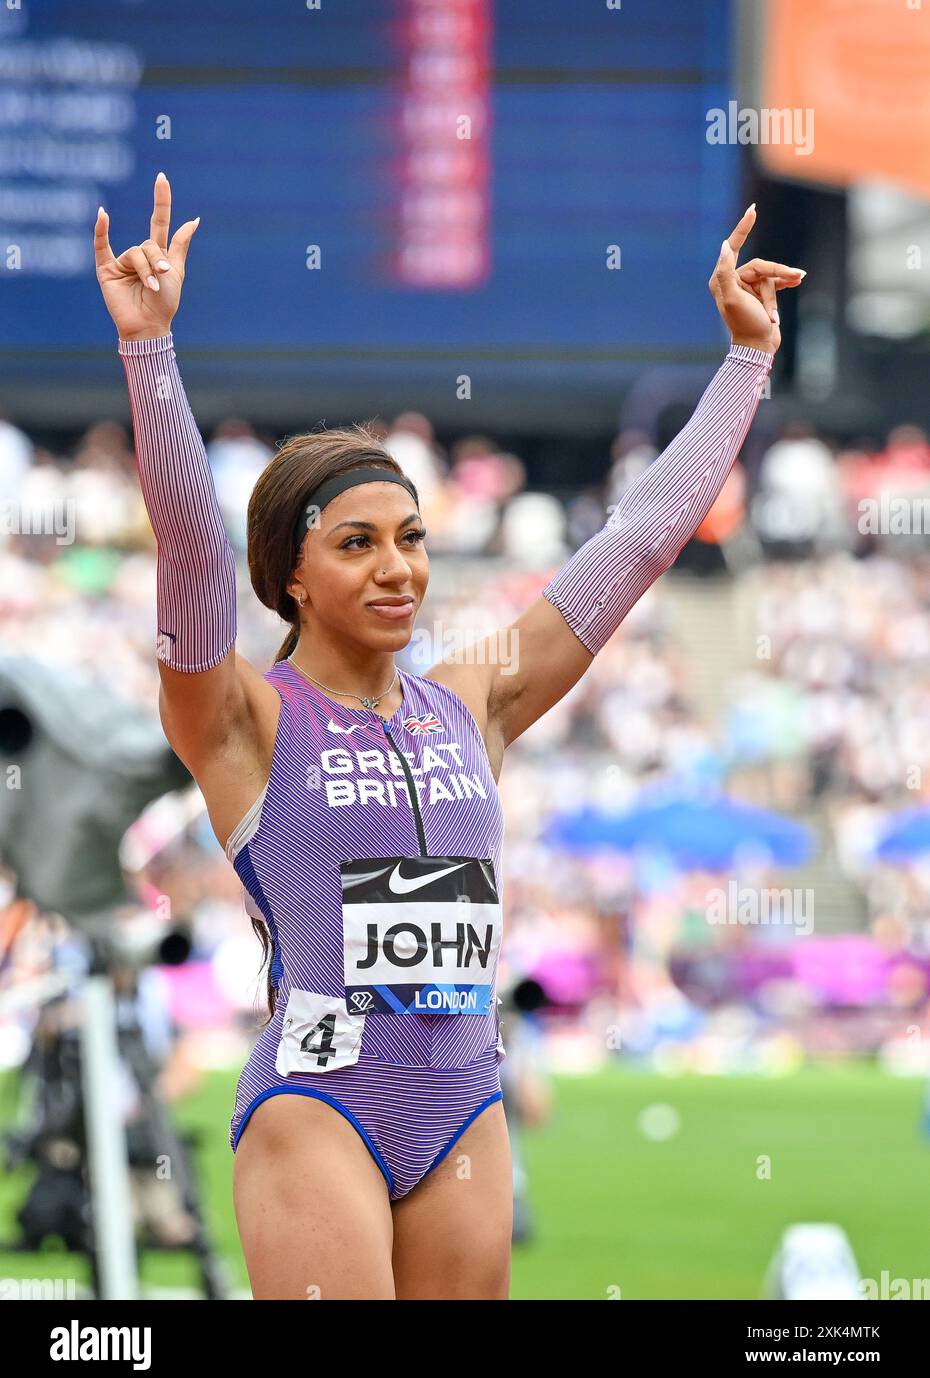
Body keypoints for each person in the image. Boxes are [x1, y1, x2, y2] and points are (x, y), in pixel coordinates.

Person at [93, 173, 802, 1300]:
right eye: (358, 543)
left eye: (413, 538)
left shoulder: (476, 697)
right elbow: (187, 552)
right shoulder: (239, 716)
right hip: (319, 1097)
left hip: (464, 1094)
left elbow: (637, 543)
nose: (399, 567)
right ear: (288, 575)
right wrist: (150, 351)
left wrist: (744, 365)